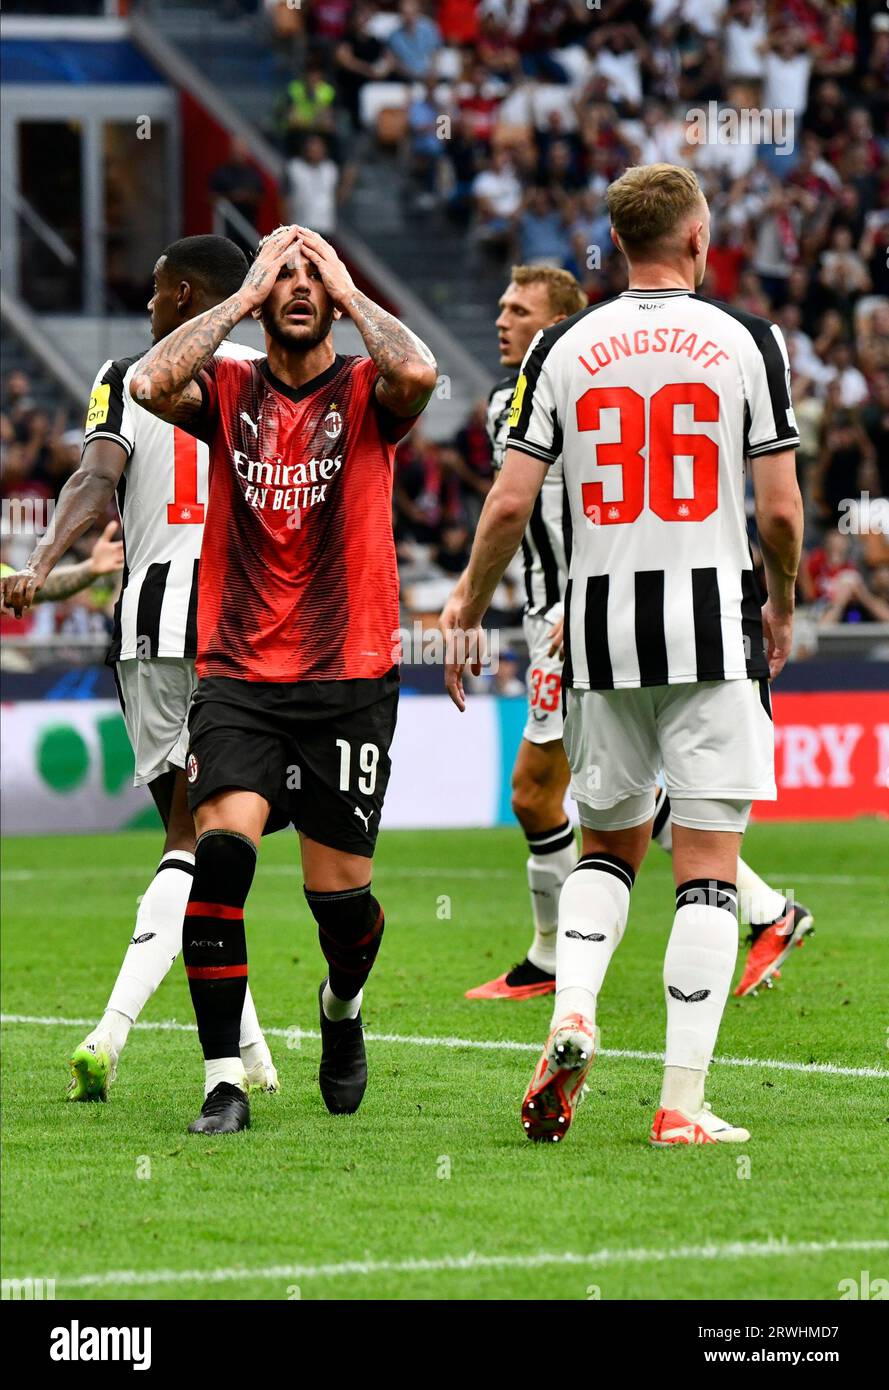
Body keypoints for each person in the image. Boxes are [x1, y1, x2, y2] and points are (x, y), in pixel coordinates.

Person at [444, 163, 805, 1147]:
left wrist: (464, 607)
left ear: (614, 243)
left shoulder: (564, 346)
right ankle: (679, 1103)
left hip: (596, 635)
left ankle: (572, 1009)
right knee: (705, 870)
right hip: (710, 627)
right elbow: (777, 509)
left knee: (604, 848)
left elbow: (511, 502)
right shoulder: (745, 341)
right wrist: (781, 602)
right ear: (696, 239)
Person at [129, 223, 437, 1135]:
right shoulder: (227, 387)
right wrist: (238, 292)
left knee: (339, 906)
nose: (298, 286)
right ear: (261, 296)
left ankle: (340, 1011)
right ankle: (224, 1081)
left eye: (313, 275)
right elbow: (150, 381)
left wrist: (347, 284)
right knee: (217, 862)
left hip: (349, 674)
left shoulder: (369, 391)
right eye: (283, 276)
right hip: (238, 676)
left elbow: (419, 373)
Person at [2, 236, 278, 1103]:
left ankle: (154, 1041)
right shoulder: (283, 377)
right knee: (208, 846)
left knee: (193, 842)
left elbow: (94, 477)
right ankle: (148, 1038)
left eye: (158, 293)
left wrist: (43, 560)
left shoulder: (129, 373)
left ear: (188, 293)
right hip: (253, 631)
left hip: (155, 627)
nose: (148, 307)